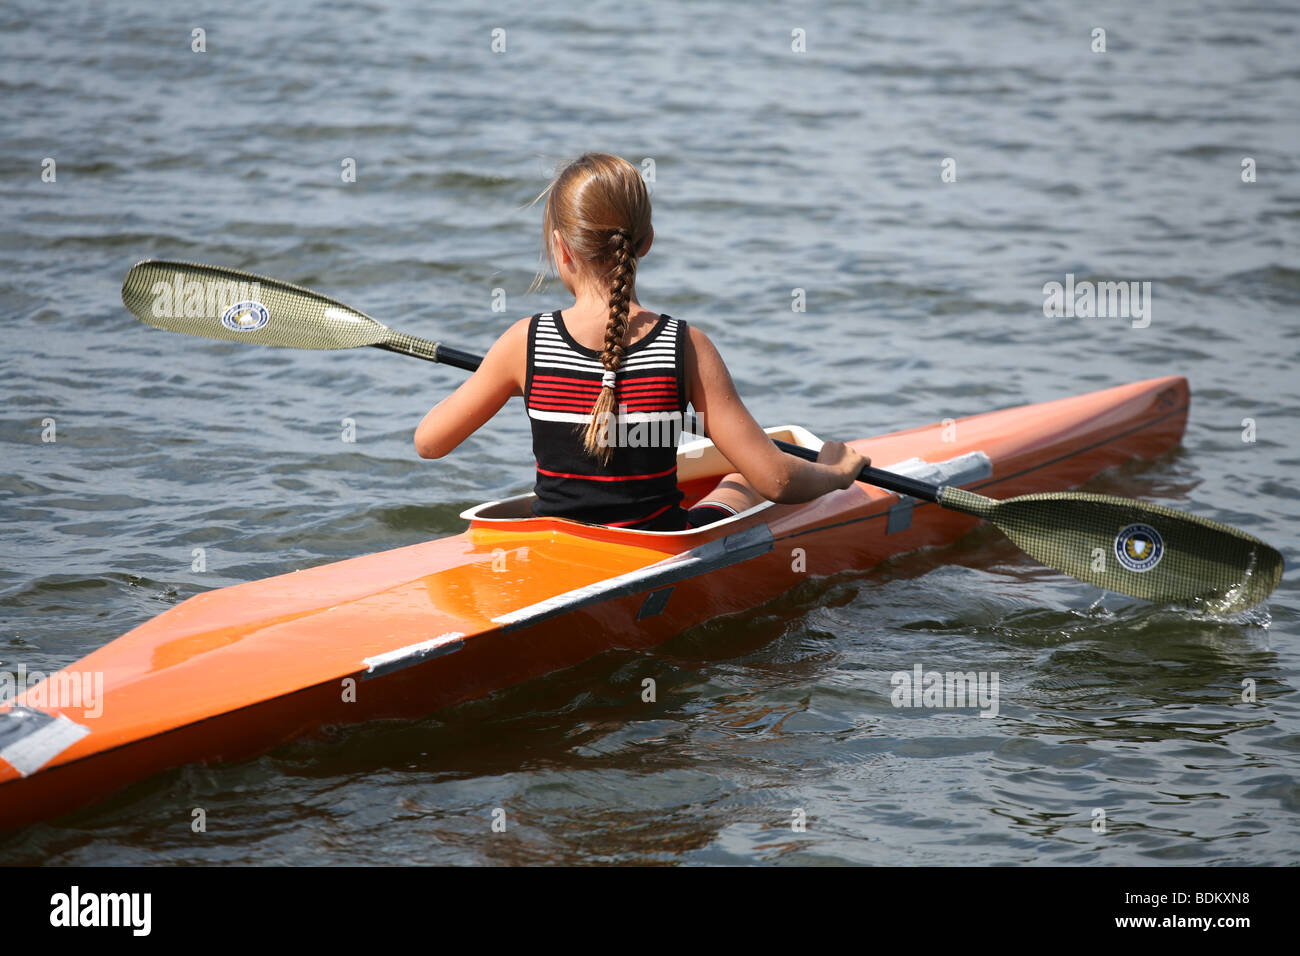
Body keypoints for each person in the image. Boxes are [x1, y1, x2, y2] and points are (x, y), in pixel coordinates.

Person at [415, 152, 866, 531]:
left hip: (558, 542)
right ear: (646, 242)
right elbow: (777, 482)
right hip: (656, 541)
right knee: (739, 480)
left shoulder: (524, 343)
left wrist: (512, 380)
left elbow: (429, 443)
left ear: (561, 248)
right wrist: (835, 472)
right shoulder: (685, 346)